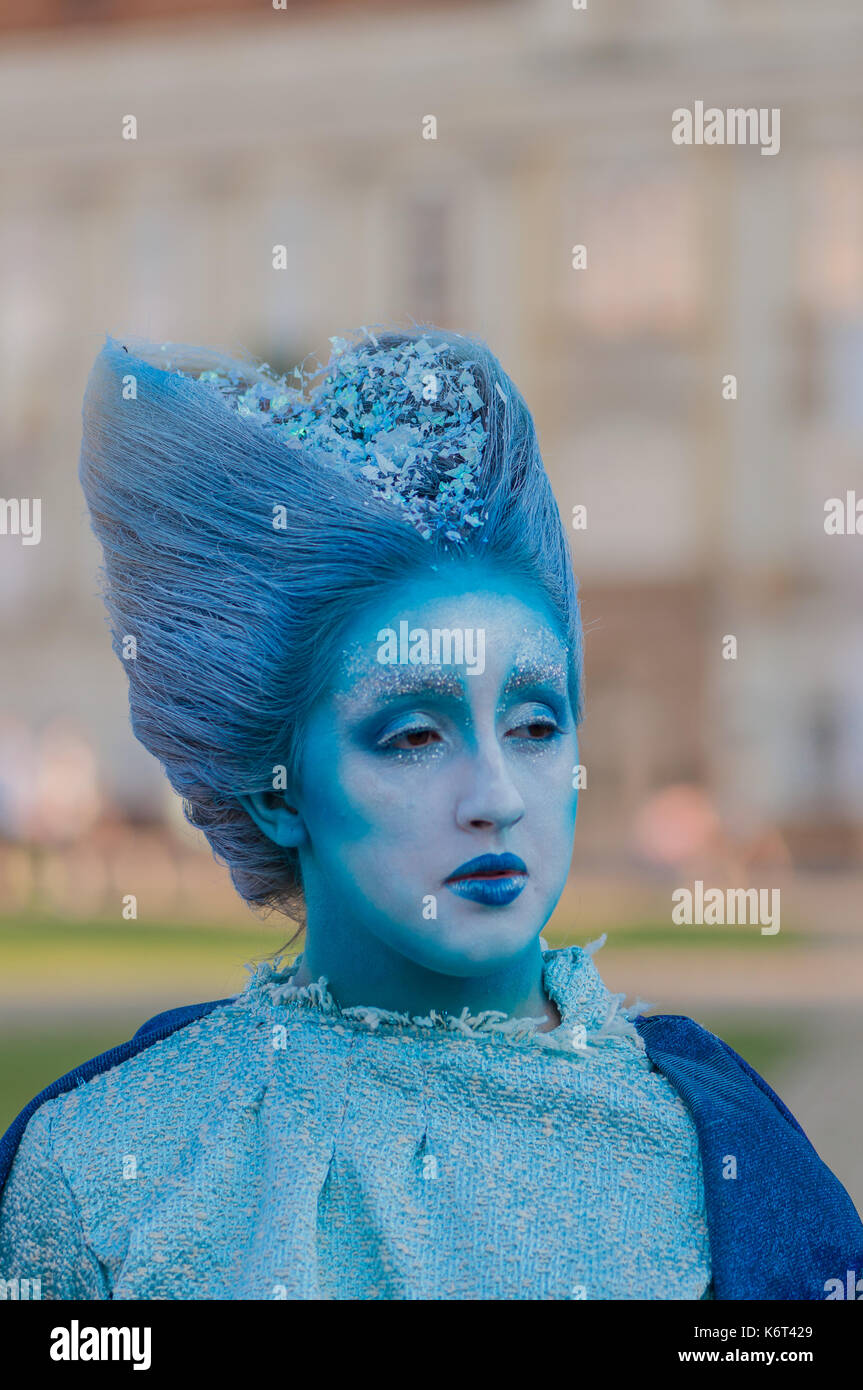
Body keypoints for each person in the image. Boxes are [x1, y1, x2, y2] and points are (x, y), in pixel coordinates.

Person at [0, 326, 860, 1300]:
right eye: (412, 736)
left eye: (534, 726)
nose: (496, 797)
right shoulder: (102, 1168)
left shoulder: (722, 1154)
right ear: (274, 791)